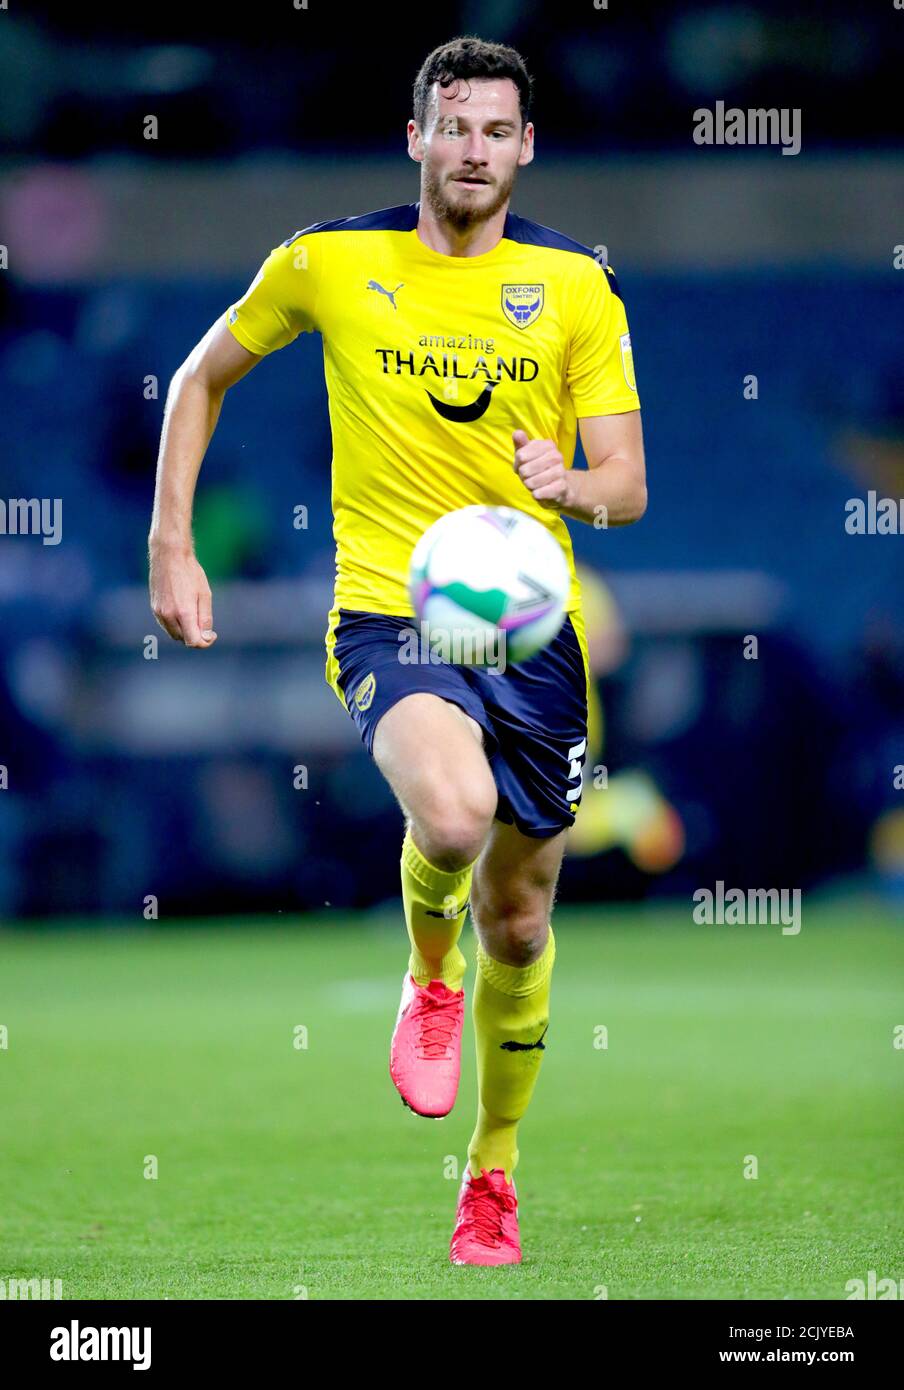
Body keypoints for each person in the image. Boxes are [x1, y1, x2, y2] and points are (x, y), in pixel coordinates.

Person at [148, 35, 646, 1266]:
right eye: (452, 125)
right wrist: (172, 543)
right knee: (458, 816)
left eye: (496, 131)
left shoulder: (577, 288)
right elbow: (197, 379)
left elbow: (628, 485)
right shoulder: (326, 263)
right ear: (414, 134)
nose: (472, 149)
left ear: (525, 147)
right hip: (394, 609)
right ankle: (429, 975)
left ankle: (492, 1173)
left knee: (523, 928)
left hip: (530, 633)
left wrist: (568, 483)